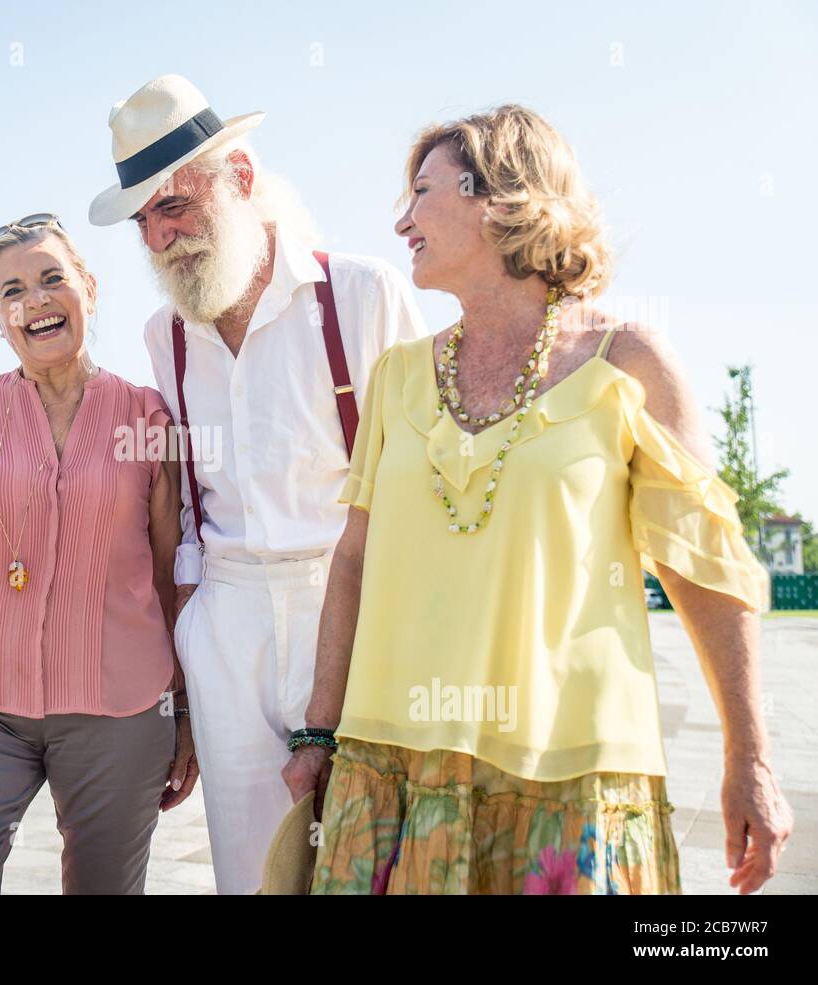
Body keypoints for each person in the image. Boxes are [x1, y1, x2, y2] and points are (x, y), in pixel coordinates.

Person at [284, 105, 792, 894]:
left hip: (567, 783)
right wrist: (318, 731)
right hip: (393, 777)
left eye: (421, 193)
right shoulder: (397, 376)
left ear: (500, 196)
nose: (400, 220)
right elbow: (352, 559)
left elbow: (707, 574)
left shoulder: (629, 363)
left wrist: (749, 757)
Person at [86, 74, 428, 894]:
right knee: (250, 875)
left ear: (240, 180)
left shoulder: (358, 293)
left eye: (177, 205)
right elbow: (180, 514)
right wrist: (184, 671)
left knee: (374, 860)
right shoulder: (162, 336)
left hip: (349, 605)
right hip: (227, 627)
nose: (163, 236)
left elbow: (423, 473)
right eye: (146, 222)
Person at [0, 215, 197, 895]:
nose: (35, 300)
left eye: (52, 278)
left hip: (119, 709)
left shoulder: (148, 418)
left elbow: (169, 568)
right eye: (13, 291)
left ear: (88, 288)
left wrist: (183, 709)